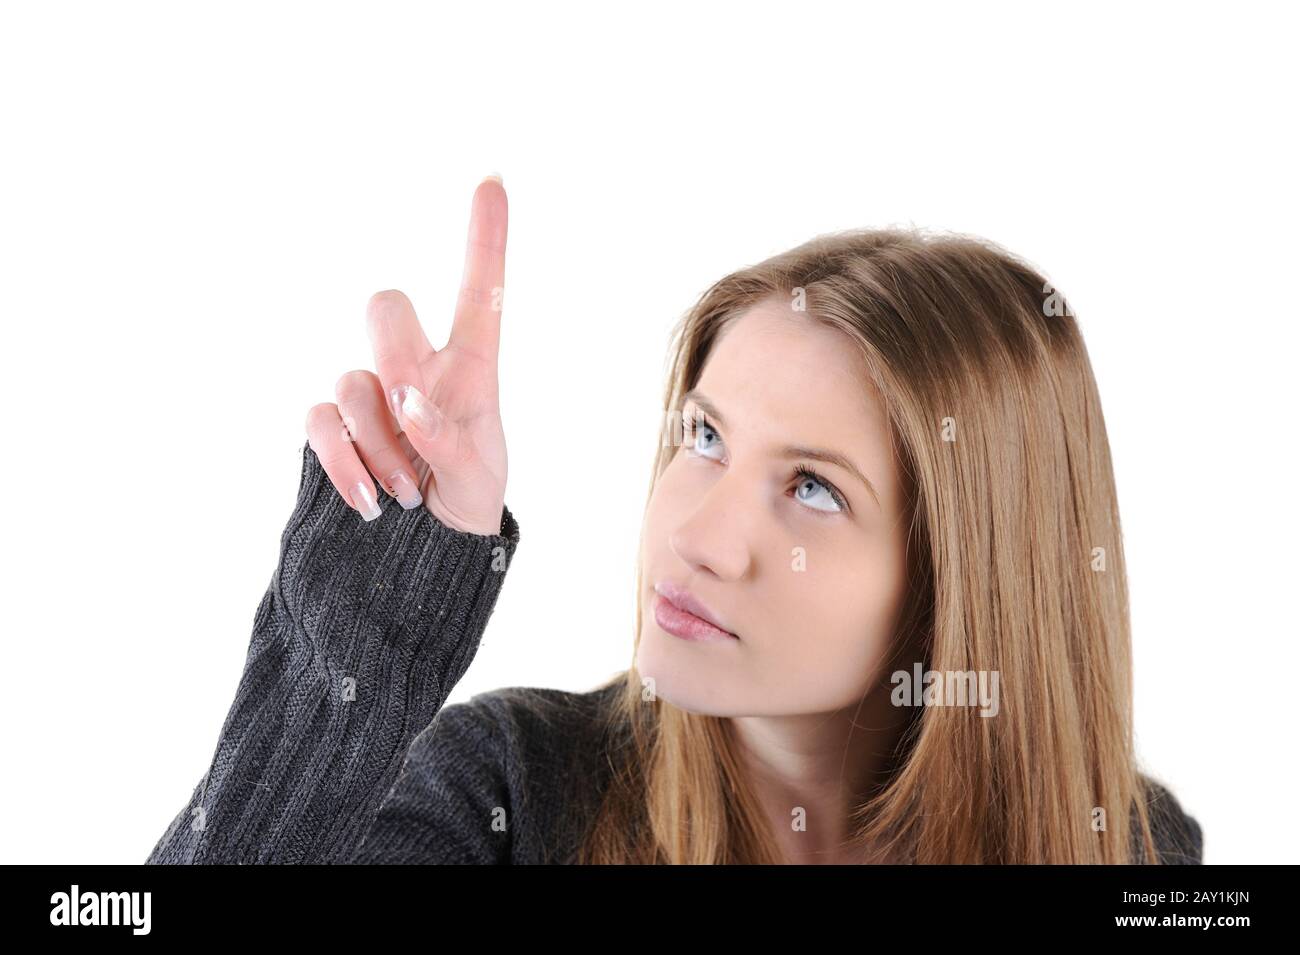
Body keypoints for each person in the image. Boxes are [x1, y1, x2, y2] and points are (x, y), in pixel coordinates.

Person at [147, 176, 1203, 865]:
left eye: (813, 488)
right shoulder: (509, 795)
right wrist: (369, 634)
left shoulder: (1134, 849)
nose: (697, 535)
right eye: (703, 437)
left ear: (963, 584)